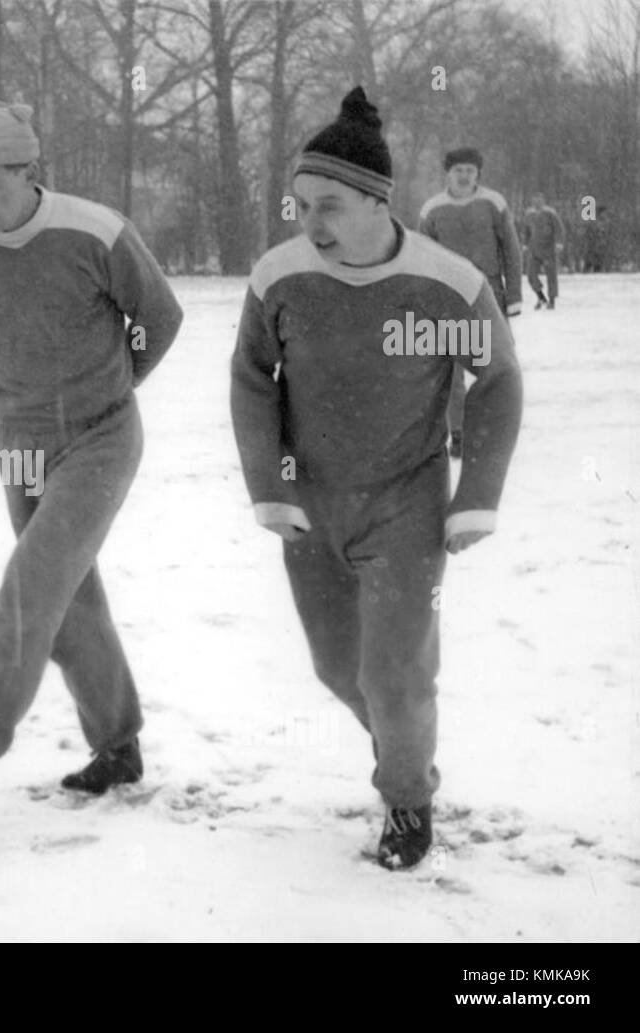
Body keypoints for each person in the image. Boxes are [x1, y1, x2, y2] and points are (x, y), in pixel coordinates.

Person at [230, 87, 522, 870]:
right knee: (336, 666)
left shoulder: (447, 284)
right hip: (310, 507)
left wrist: (476, 498)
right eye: (298, 206)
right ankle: (407, 749)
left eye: (328, 205)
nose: (310, 224)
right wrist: (270, 486)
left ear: (377, 202)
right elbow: (253, 378)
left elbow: (496, 379)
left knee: (393, 671)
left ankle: (405, 798)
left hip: (406, 506)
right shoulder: (279, 278)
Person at [0, 98, 183, 815]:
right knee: (66, 600)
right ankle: (118, 748)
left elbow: (159, 316)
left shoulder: (96, 231)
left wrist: (115, 385)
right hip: (21, 443)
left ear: (29, 171)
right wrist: (21, 394)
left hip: (103, 436)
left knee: (31, 585)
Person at [418, 146, 521, 459]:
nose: (464, 176)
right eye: (458, 171)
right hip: (449, 298)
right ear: (447, 174)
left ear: (478, 174)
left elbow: (512, 251)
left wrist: (513, 296)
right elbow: (424, 258)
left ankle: (492, 429)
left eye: (470, 171)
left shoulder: (494, 203)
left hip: (488, 294)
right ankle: (460, 432)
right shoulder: (431, 210)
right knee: (452, 368)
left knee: (496, 364)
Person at [522, 193, 564, 309]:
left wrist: (559, 242)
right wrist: (525, 244)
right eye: (534, 201)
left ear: (543, 201)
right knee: (531, 274)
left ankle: (552, 300)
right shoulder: (529, 214)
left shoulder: (550, 214)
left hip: (548, 250)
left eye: (539, 201)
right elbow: (526, 231)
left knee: (551, 275)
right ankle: (541, 297)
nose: (537, 204)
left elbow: (558, 229)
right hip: (534, 250)